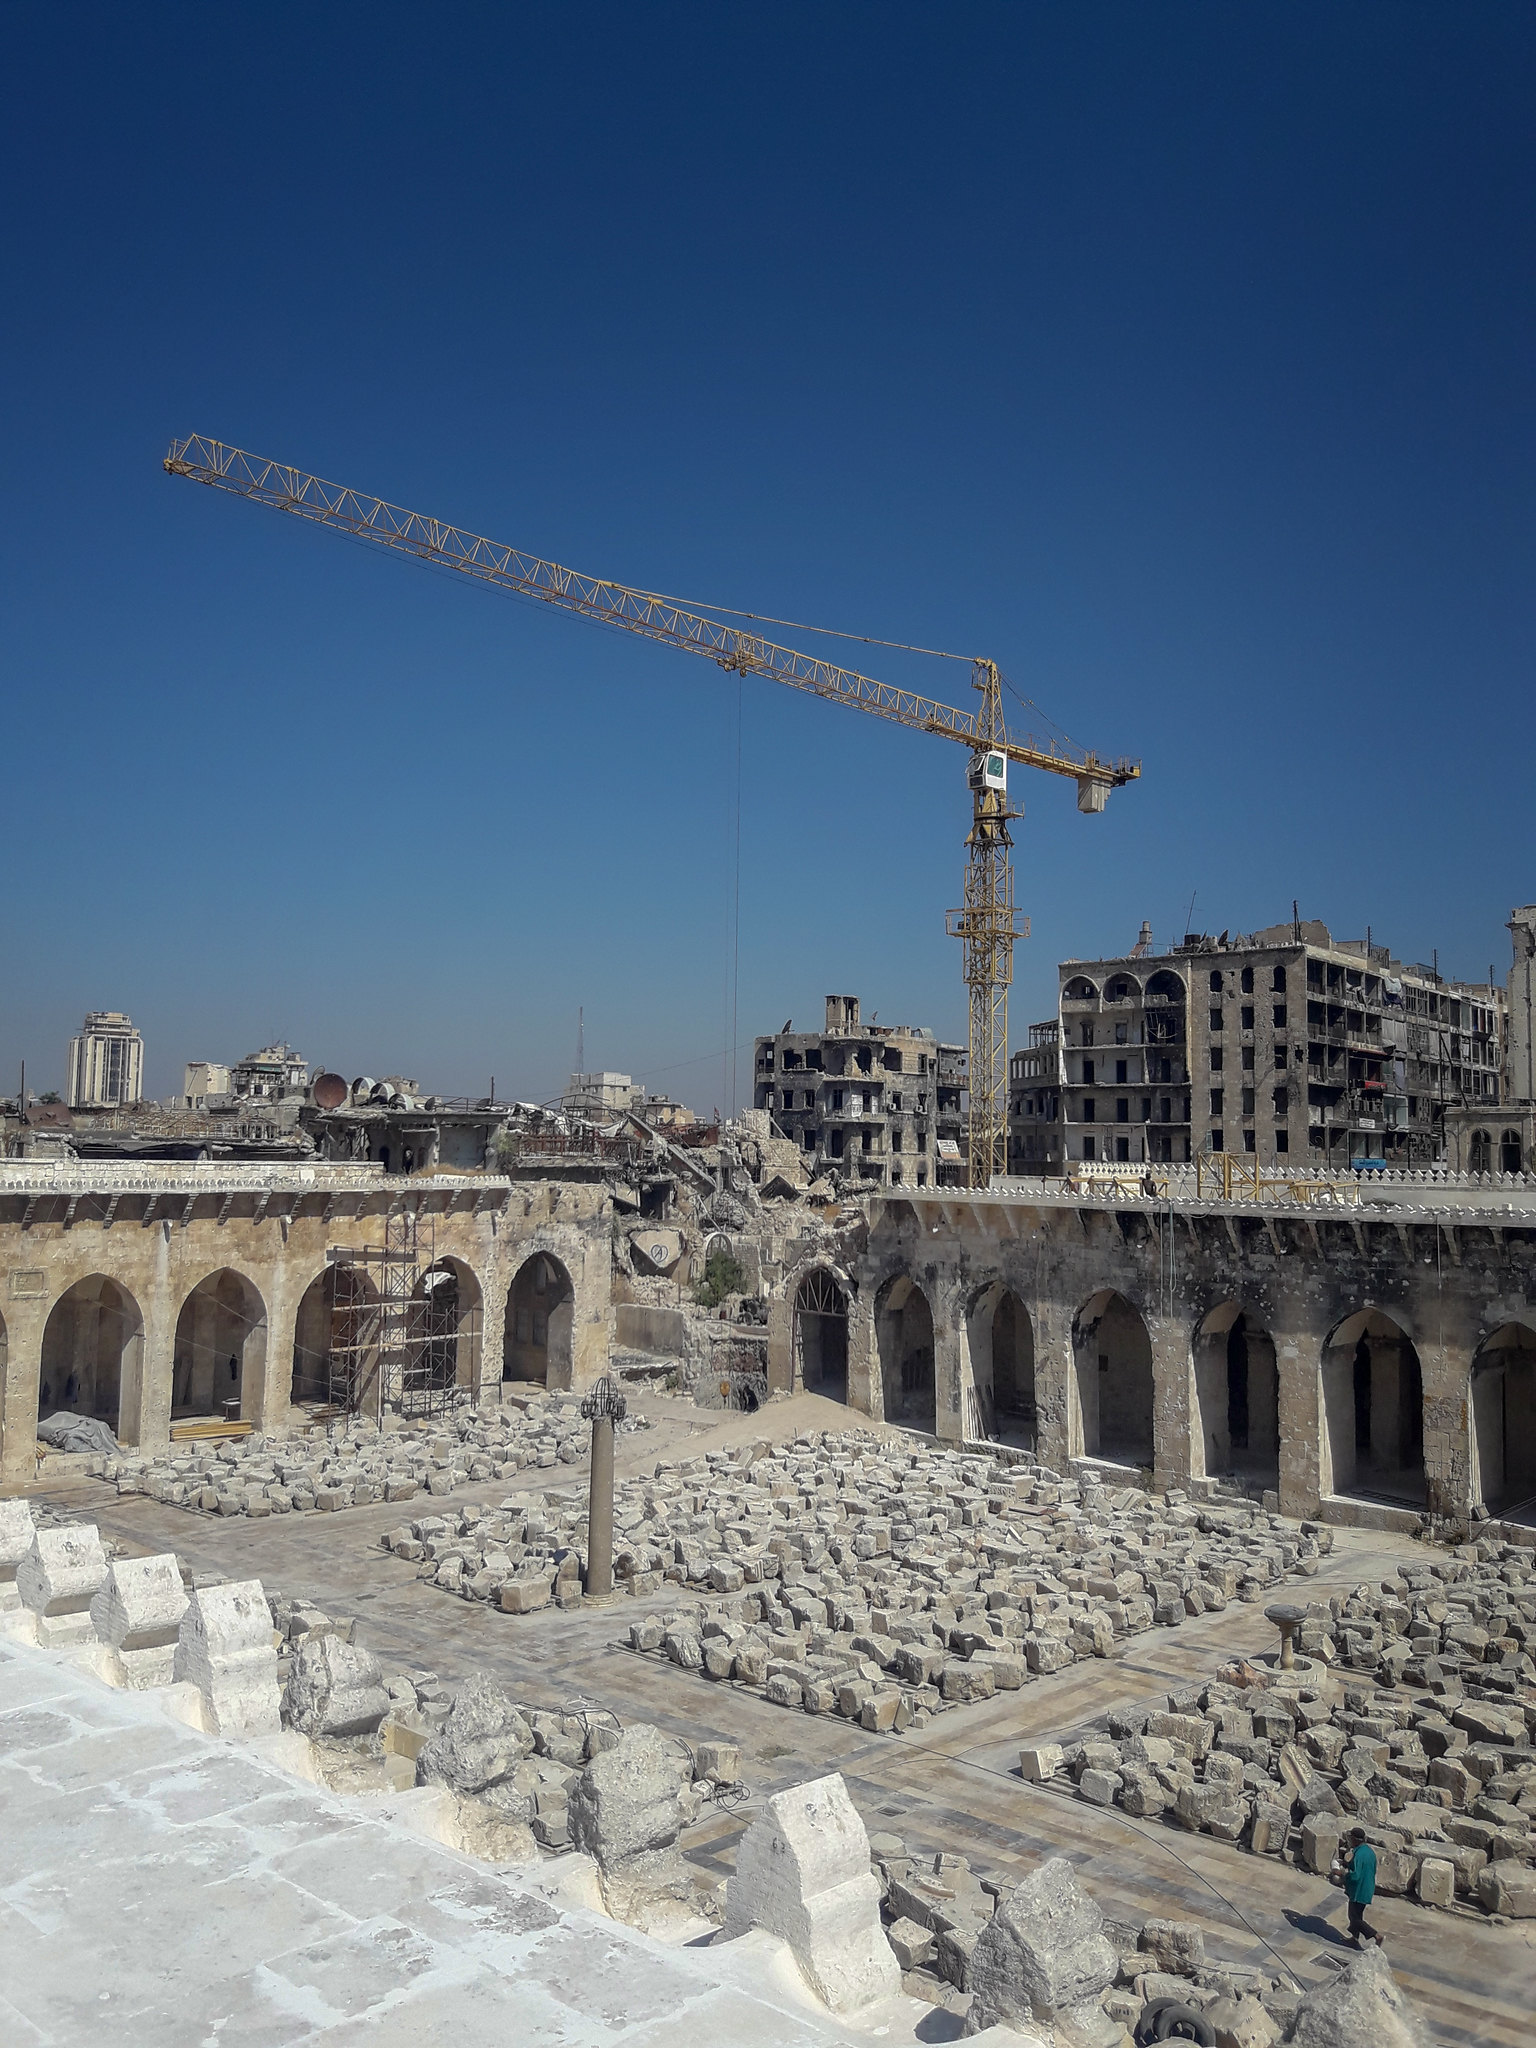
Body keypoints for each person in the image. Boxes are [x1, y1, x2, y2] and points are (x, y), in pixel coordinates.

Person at [1341, 1828, 1382, 1947]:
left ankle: (1376, 1935)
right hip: (1368, 1887)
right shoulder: (1369, 1852)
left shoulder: (1358, 1854)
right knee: (1357, 1914)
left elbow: (1355, 1875)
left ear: (1355, 1839)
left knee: (1354, 1917)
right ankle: (1354, 1938)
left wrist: (1343, 1874)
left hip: (1359, 1890)